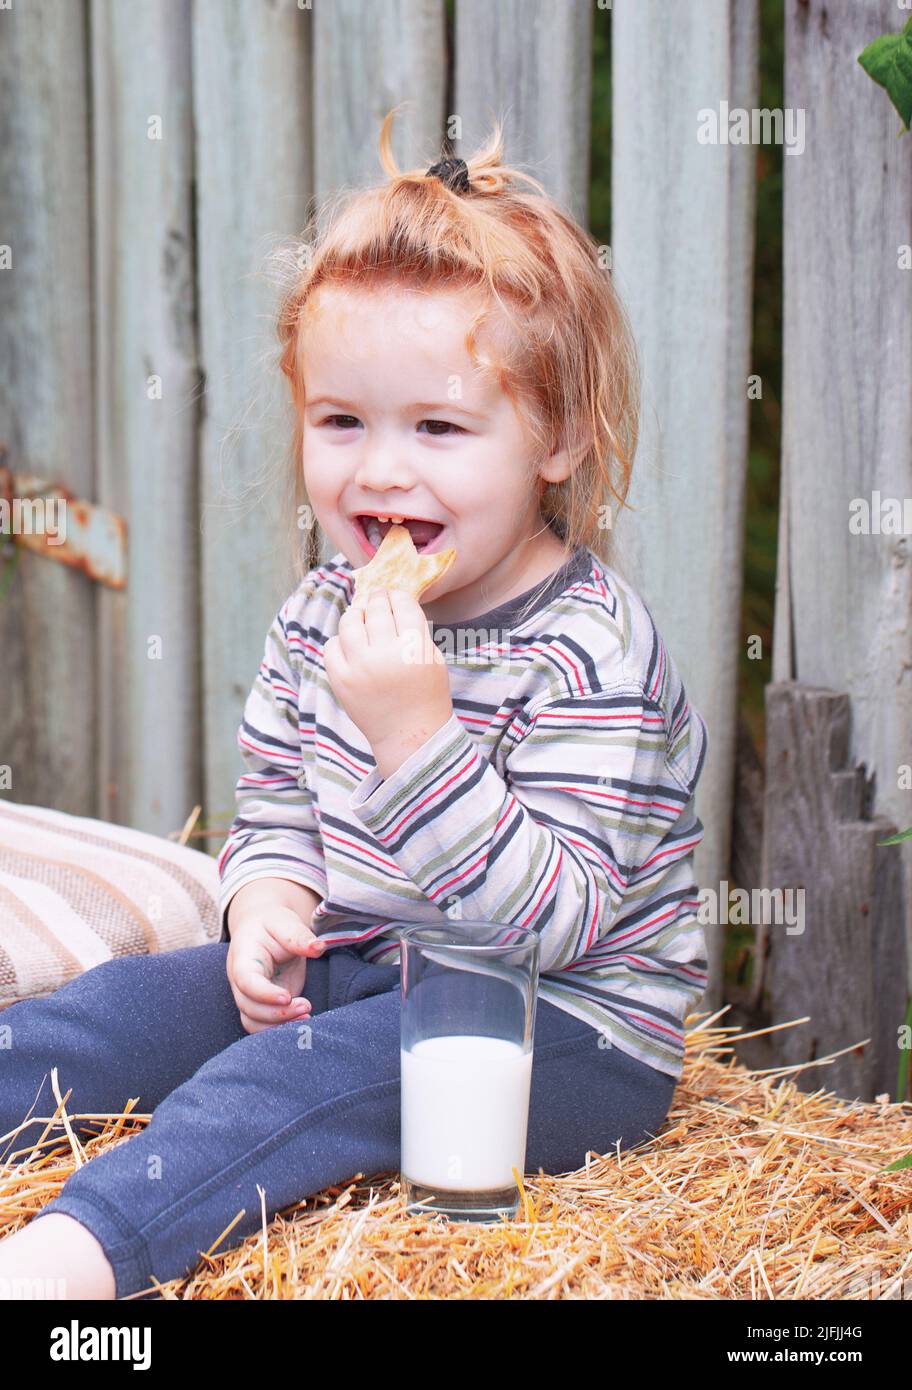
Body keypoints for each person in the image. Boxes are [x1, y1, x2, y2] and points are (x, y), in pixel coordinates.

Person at [0, 111, 708, 1300]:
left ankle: (66, 1263)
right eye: (342, 422)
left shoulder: (592, 648)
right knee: (111, 1012)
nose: (381, 470)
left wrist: (418, 738)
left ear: (561, 437)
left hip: (562, 1034)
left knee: (282, 1085)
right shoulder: (323, 609)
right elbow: (276, 801)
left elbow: (556, 925)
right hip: (364, 964)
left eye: (438, 427)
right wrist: (265, 903)